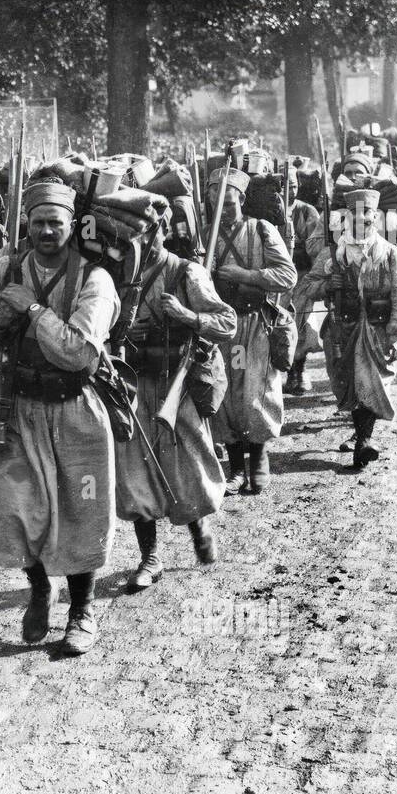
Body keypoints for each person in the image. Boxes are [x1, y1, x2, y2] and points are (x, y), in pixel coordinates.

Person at [0, 180, 120, 655]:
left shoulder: (93, 277)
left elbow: (76, 352)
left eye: (57, 222)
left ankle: (82, 610)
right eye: (39, 222)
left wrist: (32, 309)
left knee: (81, 507)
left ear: (72, 226)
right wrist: (3, 320)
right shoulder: (7, 267)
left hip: (75, 411)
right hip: (16, 408)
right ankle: (38, 589)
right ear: (27, 225)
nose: (47, 230)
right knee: (14, 505)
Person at [114, 221, 235, 590]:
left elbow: (227, 322)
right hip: (135, 382)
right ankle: (149, 557)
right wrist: (122, 331)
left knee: (189, 464)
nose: (140, 242)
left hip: (177, 384)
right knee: (135, 469)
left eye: (147, 233)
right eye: (133, 235)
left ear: (162, 231)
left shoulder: (186, 271)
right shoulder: (116, 275)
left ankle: (199, 526)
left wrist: (187, 315)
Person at [207, 167, 297, 494]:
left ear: (241, 200)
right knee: (226, 393)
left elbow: (287, 276)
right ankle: (235, 469)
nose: (224, 211)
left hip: (254, 322)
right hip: (221, 327)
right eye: (216, 204)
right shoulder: (206, 236)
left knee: (254, 391)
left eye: (229, 204)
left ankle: (258, 459)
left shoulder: (261, 230)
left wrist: (245, 275)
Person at [321, 190, 397, 469]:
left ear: (375, 217)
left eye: (367, 216)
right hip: (344, 329)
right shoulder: (335, 254)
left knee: (370, 382)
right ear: (347, 219)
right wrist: (330, 285)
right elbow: (318, 290)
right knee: (348, 383)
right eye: (355, 217)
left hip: (377, 329)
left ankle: (363, 441)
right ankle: (363, 439)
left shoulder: (389, 252)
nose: (361, 222)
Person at [283, 173, 324, 396]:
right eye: (286, 185)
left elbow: (314, 246)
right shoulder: (272, 208)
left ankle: (299, 371)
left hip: (301, 275)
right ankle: (286, 372)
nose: (290, 190)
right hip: (278, 279)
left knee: (301, 324)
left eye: (294, 186)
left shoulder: (307, 211)